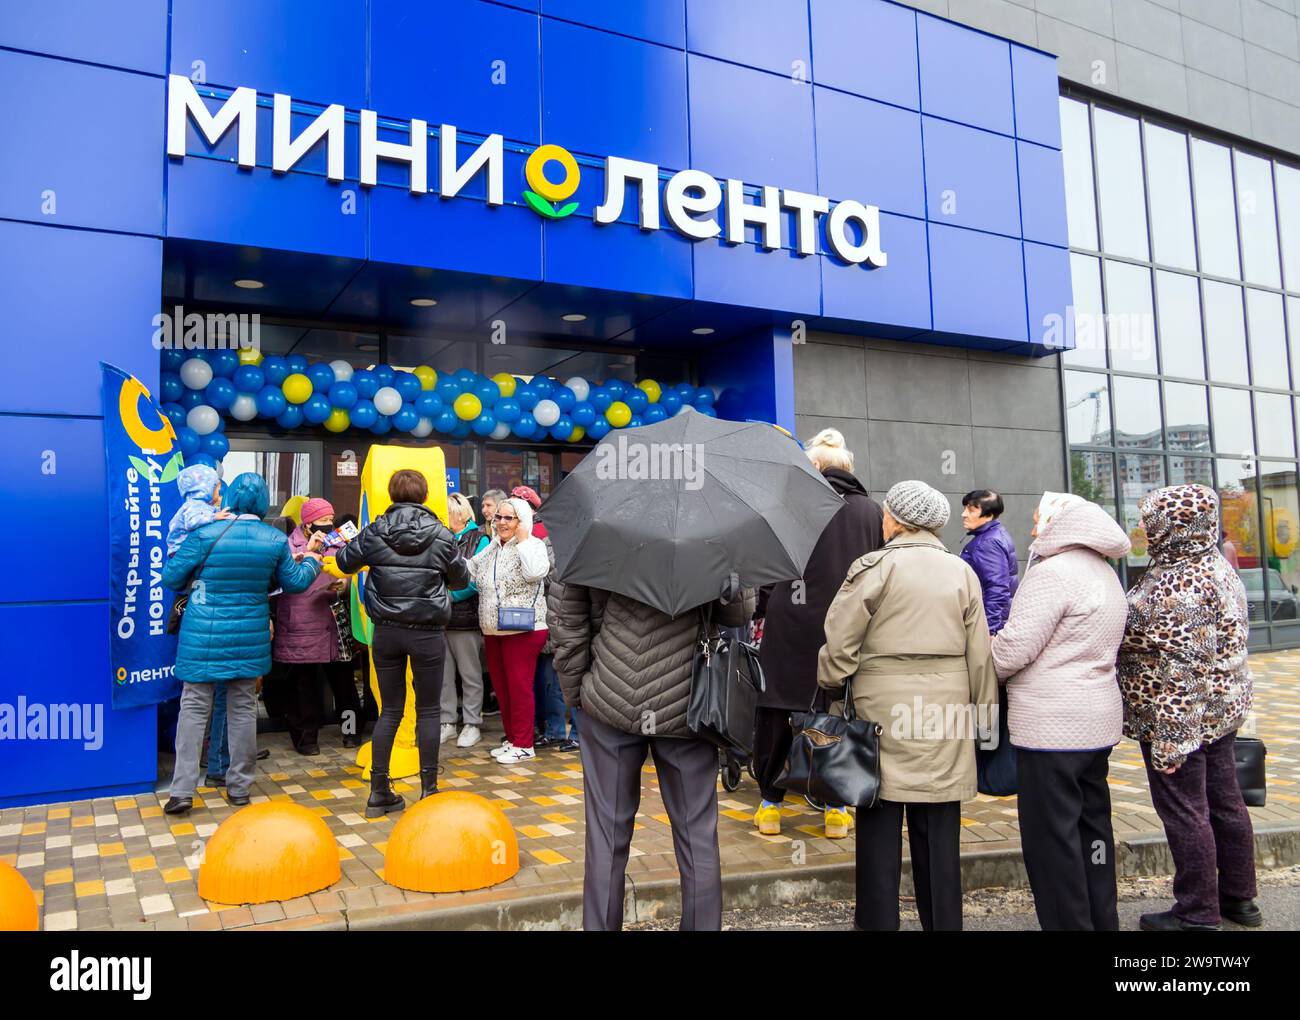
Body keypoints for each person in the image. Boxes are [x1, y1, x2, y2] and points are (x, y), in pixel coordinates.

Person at [816, 480, 996, 932]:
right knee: (938, 828)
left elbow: (840, 644)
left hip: (881, 714)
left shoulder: (873, 568)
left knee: (878, 824)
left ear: (896, 520)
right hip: (946, 714)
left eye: (887, 513)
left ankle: (878, 923)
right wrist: (986, 719)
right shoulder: (962, 572)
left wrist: (832, 684)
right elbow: (981, 656)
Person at [549, 573, 756, 931]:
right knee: (698, 837)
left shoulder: (591, 525)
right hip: (688, 701)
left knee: (605, 839)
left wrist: (577, 693)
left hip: (608, 697)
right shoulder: (712, 525)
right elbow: (738, 613)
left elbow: (566, 622)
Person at [1119, 484, 1258, 931]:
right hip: (1220, 712)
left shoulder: (1184, 583)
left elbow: (1185, 670)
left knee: (1186, 811)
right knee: (1225, 803)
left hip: (1183, 719)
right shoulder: (1209, 564)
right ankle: (1239, 899)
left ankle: (1197, 913)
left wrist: (1172, 742)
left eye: (1151, 519)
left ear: (1173, 525)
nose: (1144, 526)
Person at [989, 491, 1131, 931]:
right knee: (1092, 831)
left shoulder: (1052, 574)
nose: (1034, 527)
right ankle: (1100, 920)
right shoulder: (1104, 572)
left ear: (1061, 522)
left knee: (1053, 840)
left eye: (1040, 518)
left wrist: (984, 657)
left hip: (1052, 728)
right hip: (1097, 724)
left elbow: (1014, 648)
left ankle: (1069, 924)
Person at [162, 473, 323, 814]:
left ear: (232, 496)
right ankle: (239, 788)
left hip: (201, 636)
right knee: (242, 709)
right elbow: (294, 584)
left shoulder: (205, 533)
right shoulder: (273, 539)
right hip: (248, 636)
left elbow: (172, 576)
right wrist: (311, 559)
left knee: (193, 707)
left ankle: (182, 791)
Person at [753, 427, 883, 839]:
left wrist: (761, 605)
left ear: (814, 467)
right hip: (846, 626)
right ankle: (835, 808)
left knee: (777, 710)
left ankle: (771, 805)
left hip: (791, 623)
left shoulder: (793, 504)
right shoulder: (871, 512)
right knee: (834, 709)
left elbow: (770, 567)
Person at [335, 469, 469, 817]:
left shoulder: (376, 530)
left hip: (387, 631)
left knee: (391, 710)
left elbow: (344, 562)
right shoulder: (441, 535)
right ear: (425, 496)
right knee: (427, 709)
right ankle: (429, 790)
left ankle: (379, 792)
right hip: (427, 632)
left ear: (391, 494)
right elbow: (461, 579)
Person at [272, 498, 361, 755]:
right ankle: (306, 739)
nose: (327, 526)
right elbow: (282, 580)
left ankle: (350, 732)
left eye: (330, 521)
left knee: (344, 685)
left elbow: (351, 572)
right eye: (322, 522)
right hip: (300, 626)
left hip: (333, 624)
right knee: (304, 687)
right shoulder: (288, 546)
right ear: (307, 524)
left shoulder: (338, 542)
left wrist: (344, 586)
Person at [469, 497, 550, 764]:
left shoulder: (533, 545)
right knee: (502, 689)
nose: (502, 523)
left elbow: (537, 572)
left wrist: (524, 539)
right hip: (493, 628)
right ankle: (513, 739)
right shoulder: (493, 547)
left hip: (523, 629)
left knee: (518, 687)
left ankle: (525, 744)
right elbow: (470, 571)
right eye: (499, 517)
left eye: (509, 518)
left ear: (522, 520)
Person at [512, 484, 573, 751]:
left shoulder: (552, 542)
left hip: (556, 618)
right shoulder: (543, 541)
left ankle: (557, 730)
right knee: (539, 680)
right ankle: (545, 729)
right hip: (540, 619)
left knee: (552, 682)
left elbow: (549, 576)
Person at [441, 492, 490, 749]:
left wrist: (445, 595)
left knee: (470, 673)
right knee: (443, 674)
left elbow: (475, 581)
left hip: (465, 618)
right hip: (441, 618)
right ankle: (447, 721)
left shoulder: (479, 539)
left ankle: (472, 723)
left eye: (445, 512)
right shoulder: (444, 537)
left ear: (458, 513)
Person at [958, 489, 1019, 634]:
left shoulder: (988, 543)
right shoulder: (993, 535)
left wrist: (988, 631)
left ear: (989, 515)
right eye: (965, 508)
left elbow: (997, 589)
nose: (964, 514)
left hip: (988, 627)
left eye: (971, 510)